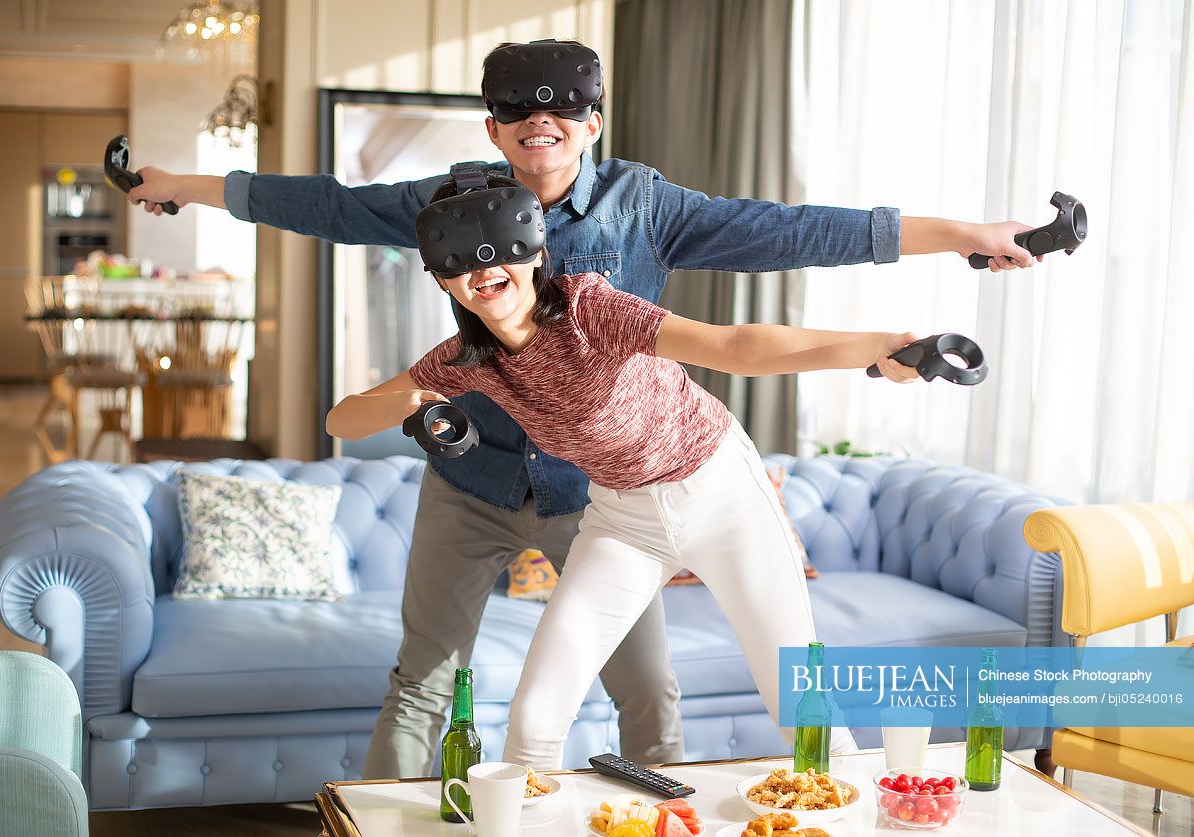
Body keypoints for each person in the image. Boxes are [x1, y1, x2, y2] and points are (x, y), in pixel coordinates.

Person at [125, 39, 1038, 778]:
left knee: (656, 690)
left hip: (608, 490)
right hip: (480, 475)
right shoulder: (450, 238)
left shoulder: (621, 251)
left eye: (561, 106)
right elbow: (325, 205)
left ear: (592, 120)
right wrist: (187, 185)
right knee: (457, 691)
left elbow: (778, 266)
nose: (540, 123)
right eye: (518, 109)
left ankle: (665, 809)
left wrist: (957, 247)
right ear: (491, 128)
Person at [327, 170, 924, 769]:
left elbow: (732, 346)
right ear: (440, 277)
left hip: (719, 496)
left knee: (800, 705)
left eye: (498, 251)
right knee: (535, 717)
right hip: (623, 519)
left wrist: (875, 346)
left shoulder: (590, 307)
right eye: (460, 262)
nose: (483, 273)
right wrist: (410, 402)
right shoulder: (464, 362)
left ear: (534, 251)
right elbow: (341, 421)